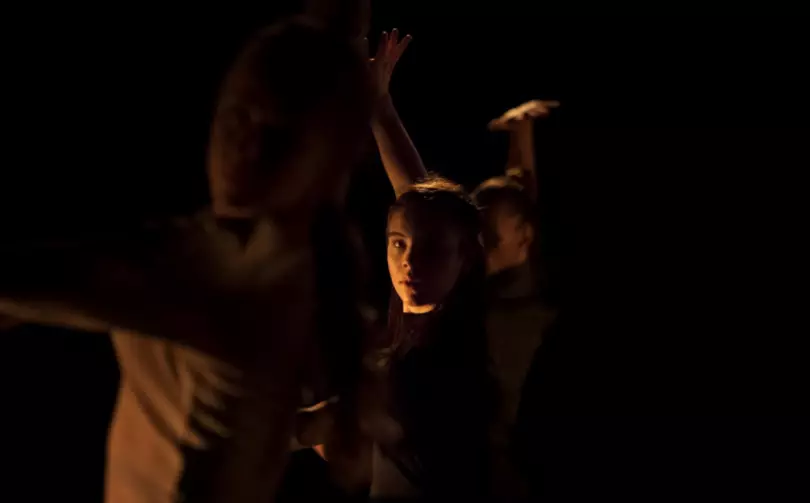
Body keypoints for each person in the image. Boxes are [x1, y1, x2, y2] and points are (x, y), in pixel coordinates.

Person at [0, 17, 372, 503]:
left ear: (326, 159)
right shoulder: (299, 258)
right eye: (236, 120)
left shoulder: (227, 271)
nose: (248, 149)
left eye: (279, 136)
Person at [362, 30, 495, 500]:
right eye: (397, 243)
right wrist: (378, 106)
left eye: (434, 250)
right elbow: (417, 204)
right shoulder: (401, 336)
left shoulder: (472, 335)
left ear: (467, 257)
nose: (409, 261)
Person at [472, 100, 560, 500]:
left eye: (488, 241)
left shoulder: (515, 304)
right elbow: (521, 201)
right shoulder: (510, 276)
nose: (476, 250)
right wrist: (520, 132)